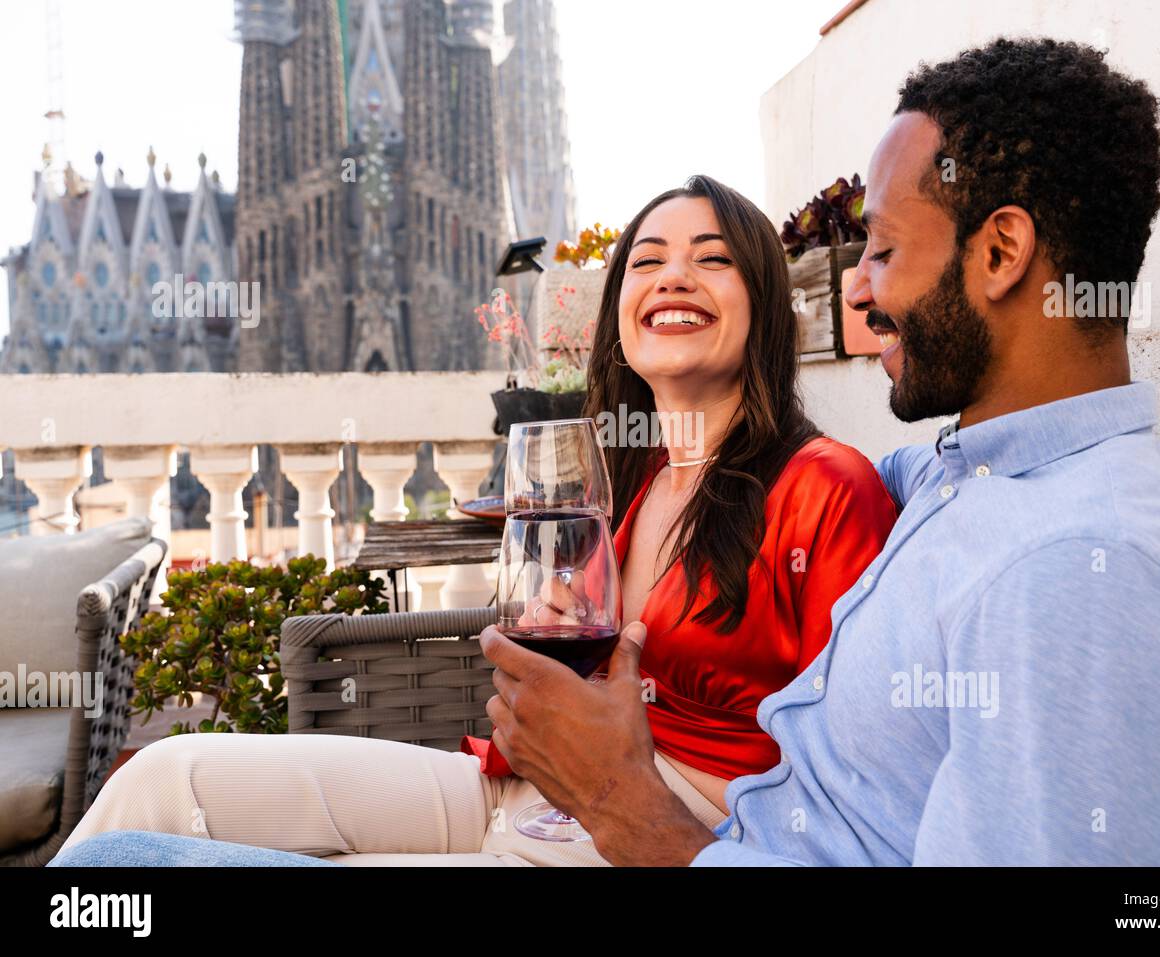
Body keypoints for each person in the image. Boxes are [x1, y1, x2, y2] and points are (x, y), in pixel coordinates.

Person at [472, 37, 1160, 866]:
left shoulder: (1077, 568)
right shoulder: (973, 470)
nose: (856, 287)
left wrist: (618, 800)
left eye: (884, 249)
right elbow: (766, 471)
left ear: (1001, 254)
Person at [53, 177, 897, 867]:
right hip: (515, 788)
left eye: (712, 260)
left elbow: (863, 790)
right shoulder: (635, 481)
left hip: (643, 827)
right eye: (647, 261)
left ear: (765, 307)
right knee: (166, 775)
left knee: (129, 868)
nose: (673, 276)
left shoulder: (827, 487)